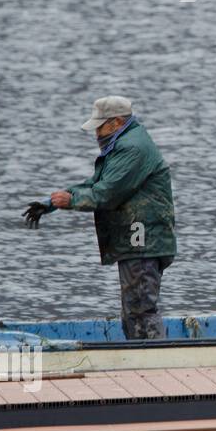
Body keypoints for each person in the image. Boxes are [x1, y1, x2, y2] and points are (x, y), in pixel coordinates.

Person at [22, 96, 177, 339]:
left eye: (99, 126)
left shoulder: (132, 148)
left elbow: (107, 193)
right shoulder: (125, 143)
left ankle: (155, 362)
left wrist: (71, 200)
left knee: (140, 308)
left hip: (143, 241)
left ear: (116, 122)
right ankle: (143, 360)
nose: (96, 133)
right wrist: (52, 203)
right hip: (138, 240)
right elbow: (95, 184)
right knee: (133, 308)